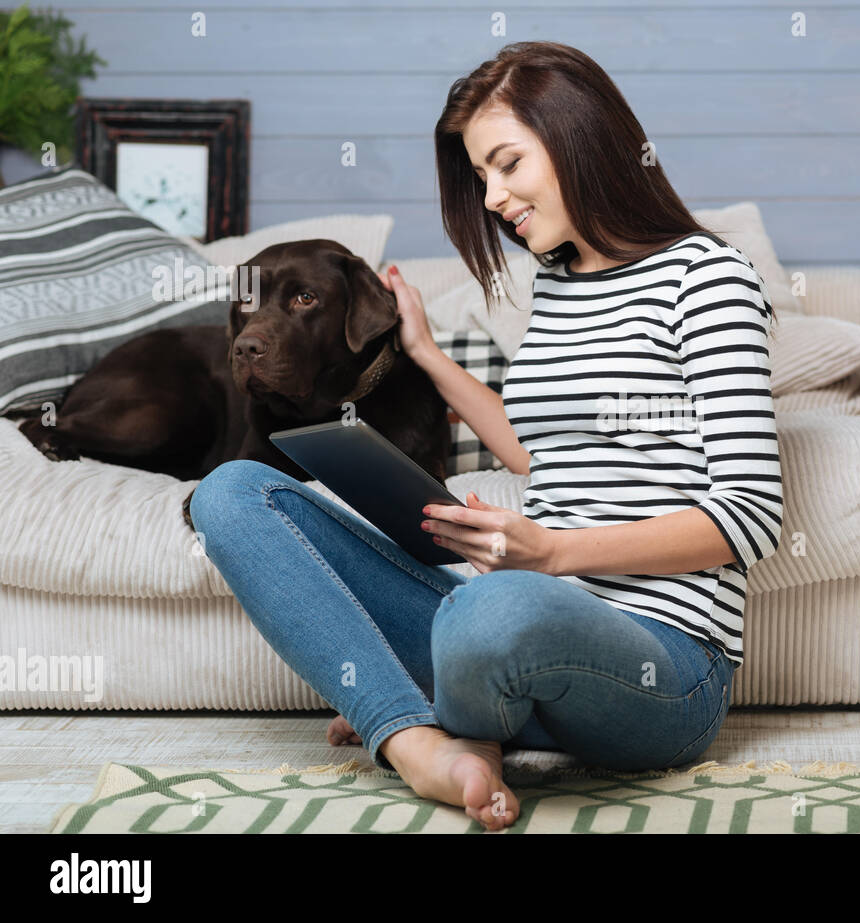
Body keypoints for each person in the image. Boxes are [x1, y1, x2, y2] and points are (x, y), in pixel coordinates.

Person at [188, 41, 783, 832]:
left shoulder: (708, 279)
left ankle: (421, 713)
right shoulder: (560, 283)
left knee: (486, 612)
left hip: (661, 666)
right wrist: (427, 354)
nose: (494, 196)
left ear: (579, 135)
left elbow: (751, 515)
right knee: (230, 494)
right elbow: (546, 453)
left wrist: (551, 553)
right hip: (515, 627)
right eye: (481, 176)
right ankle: (422, 737)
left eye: (507, 164)